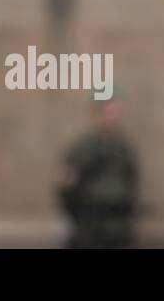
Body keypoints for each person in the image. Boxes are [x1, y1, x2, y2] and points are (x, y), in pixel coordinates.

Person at [57, 96, 139, 247]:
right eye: (108, 112)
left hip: (118, 226)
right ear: (97, 114)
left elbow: (131, 180)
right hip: (90, 224)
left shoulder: (124, 148)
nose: (112, 117)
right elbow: (67, 185)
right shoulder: (83, 148)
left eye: (116, 112)